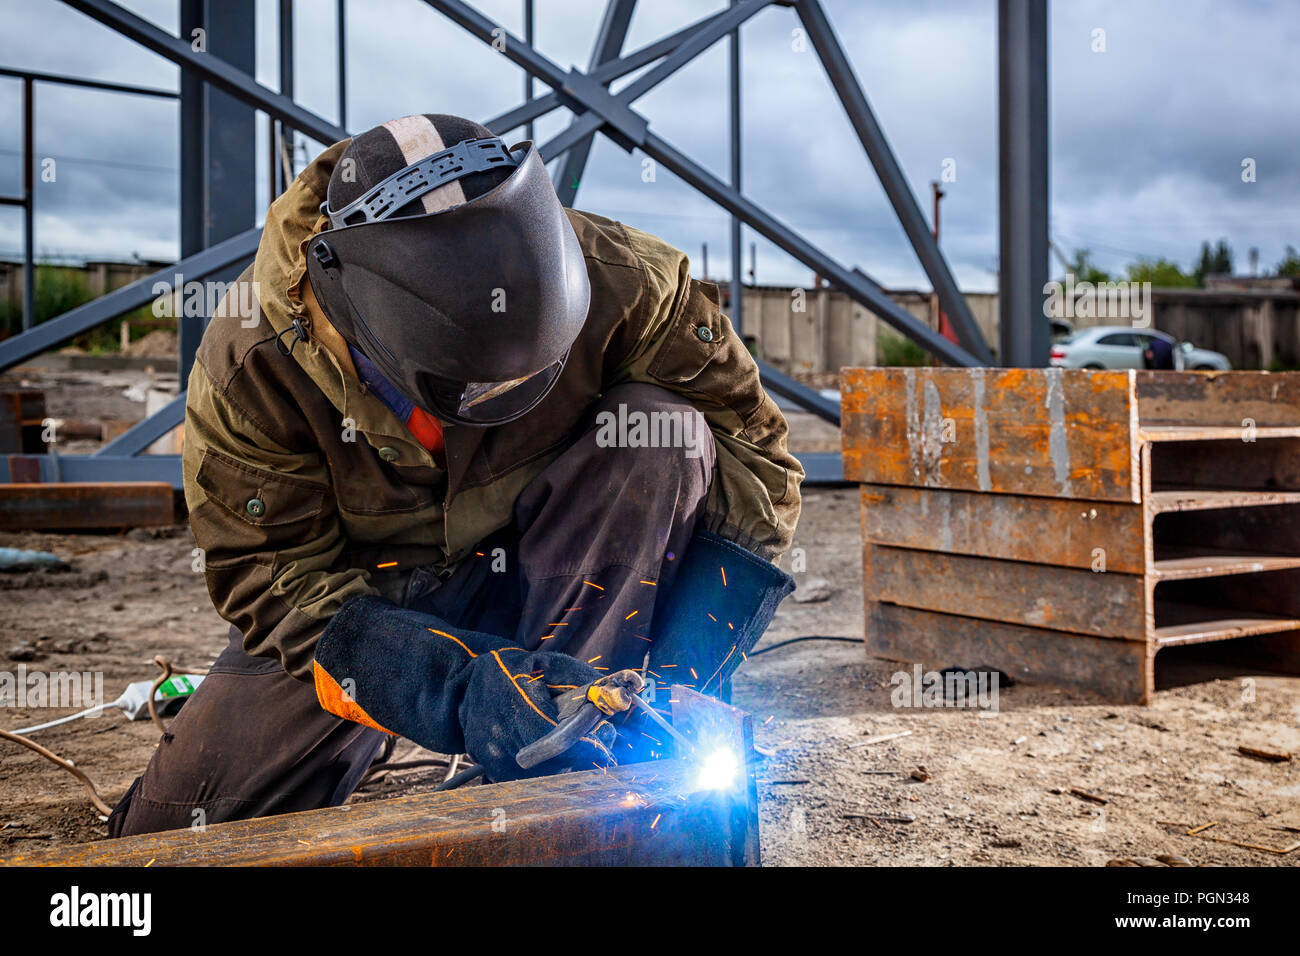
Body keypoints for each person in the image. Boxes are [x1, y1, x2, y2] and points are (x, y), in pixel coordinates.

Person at [108, 113, 802, 836]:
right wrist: (457, 690)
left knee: (665, 432)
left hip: (544, 564)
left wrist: (683, 678)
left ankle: (578, 751)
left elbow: (755, 455)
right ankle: (443, 718)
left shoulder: (626, 279)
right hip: (368, 614)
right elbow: (273, 580)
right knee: (169, 838)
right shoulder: (252, 364)